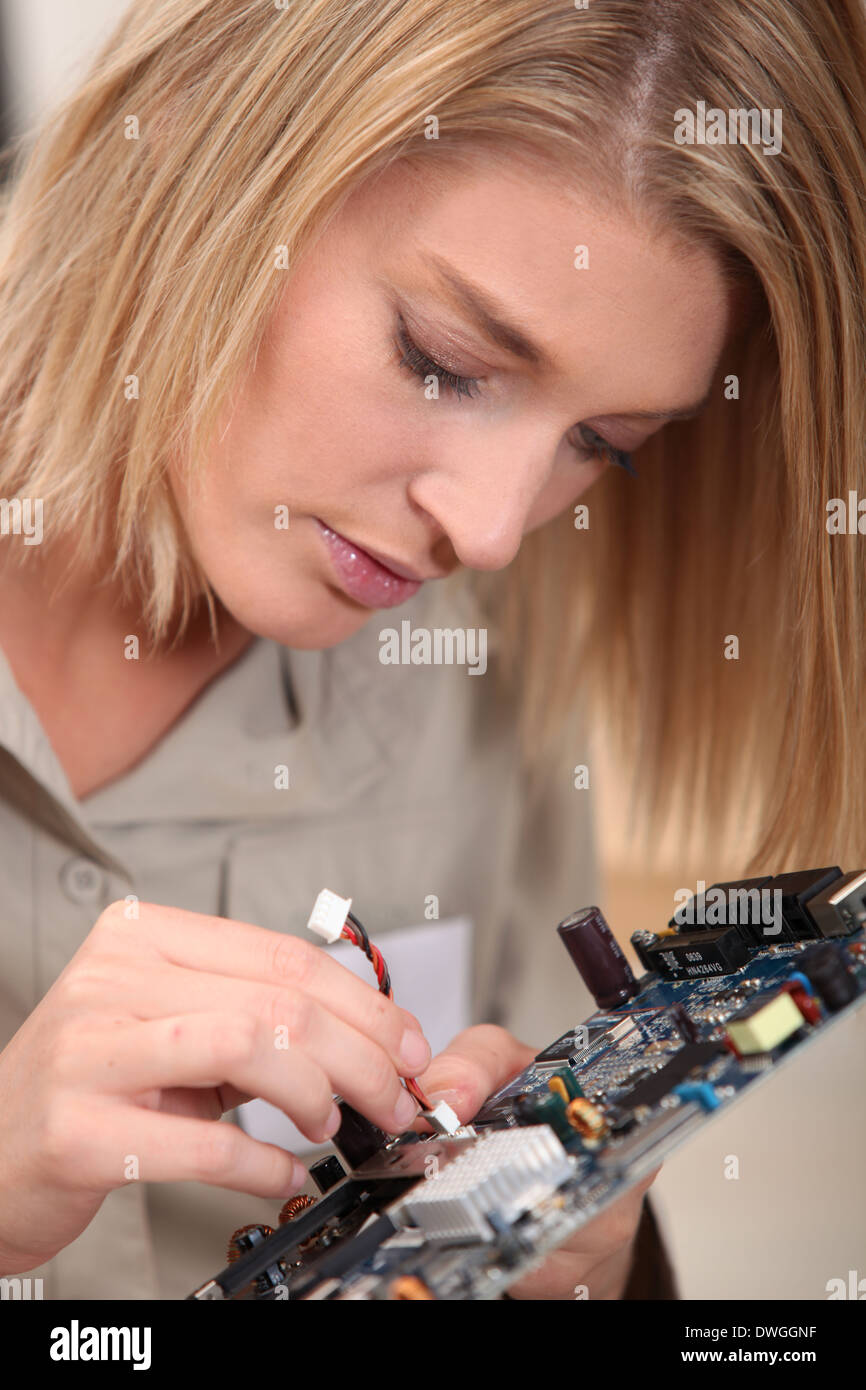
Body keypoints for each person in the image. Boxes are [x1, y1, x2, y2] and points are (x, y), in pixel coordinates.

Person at [0, 0, 863, 1301]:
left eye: (601, 444)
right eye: (444, 361)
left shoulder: (477, 672)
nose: (494, 528)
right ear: (189, 143)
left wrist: (579, 1277)